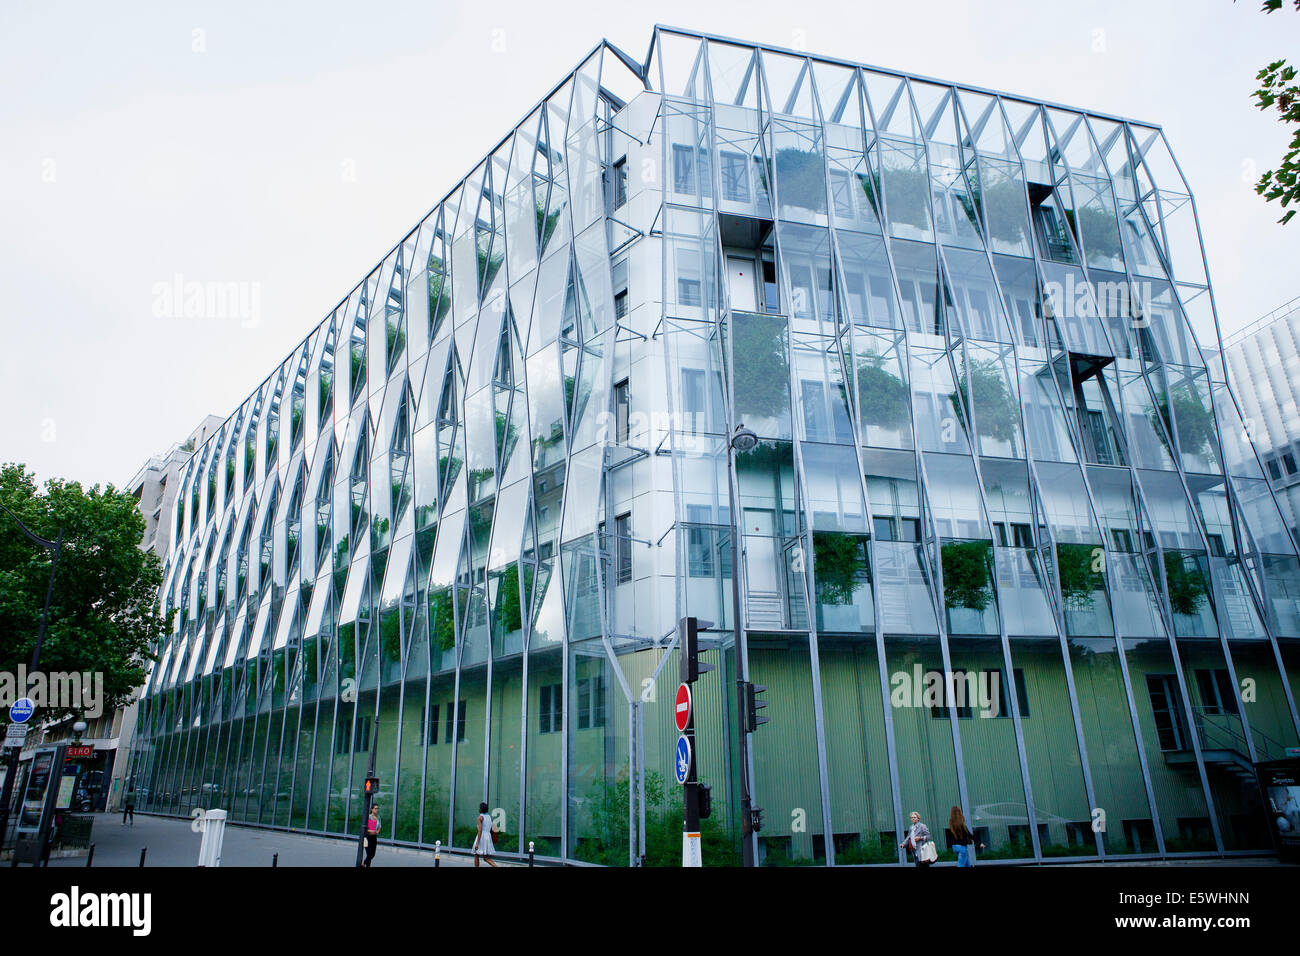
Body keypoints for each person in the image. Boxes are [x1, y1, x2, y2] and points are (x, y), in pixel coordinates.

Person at [472, 801, 498, 868]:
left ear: (481, 809)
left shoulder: (480, 818)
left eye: (479, 808)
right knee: (485, 857)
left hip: (482, 837)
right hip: (487, 837)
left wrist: (477, 843)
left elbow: (480, 830)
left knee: (476, 854)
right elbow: (492, 827)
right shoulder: (489, 817)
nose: (478, 809)